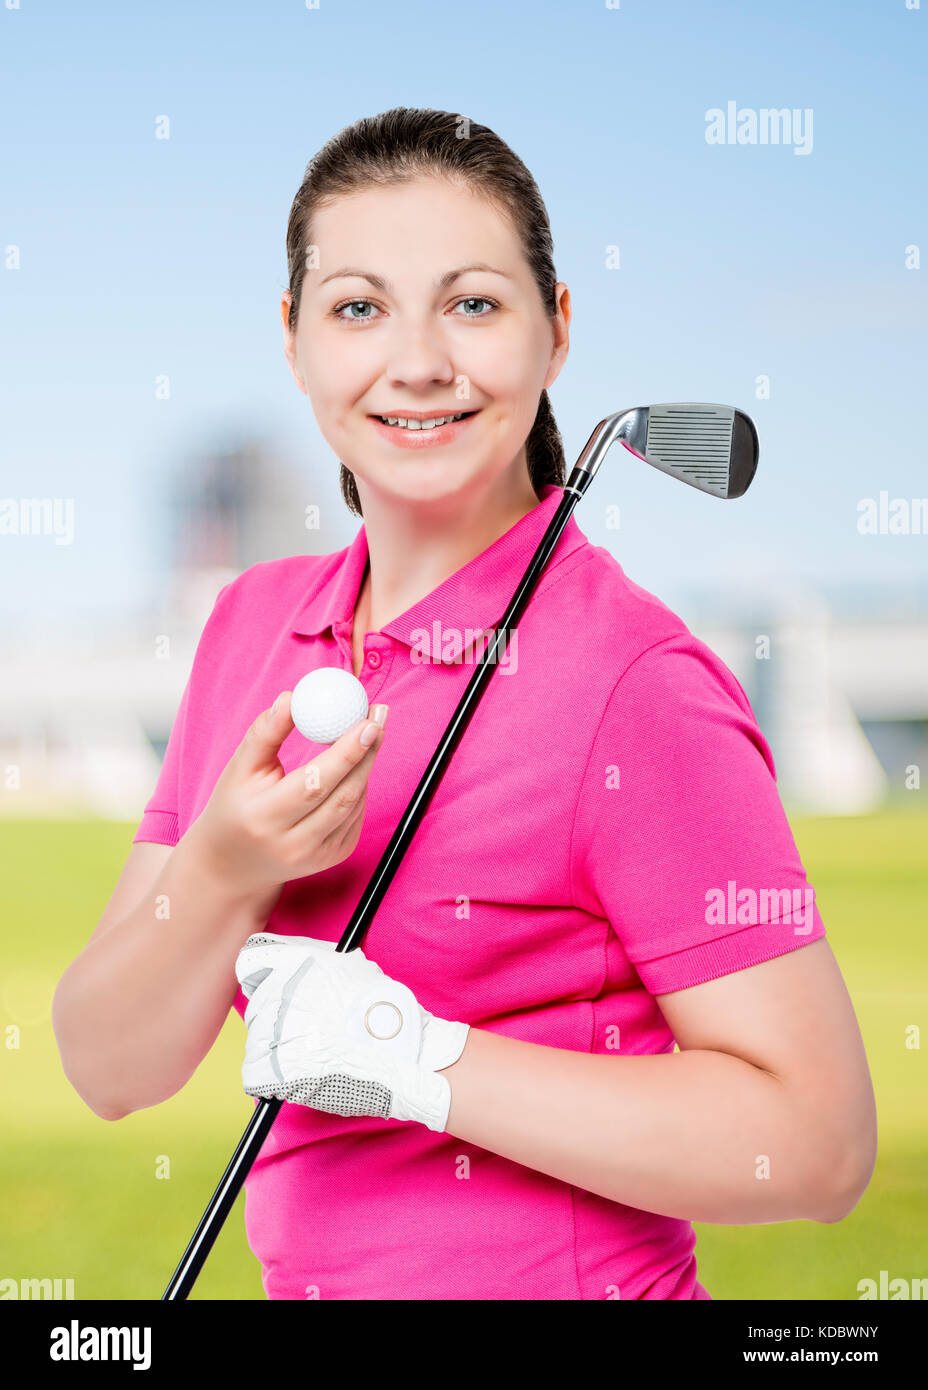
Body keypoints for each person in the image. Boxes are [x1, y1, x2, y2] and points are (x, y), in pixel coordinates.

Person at [52, 107, 877, 1301]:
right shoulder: (251, 628)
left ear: (557, 333)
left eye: (475, 303)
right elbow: (108, 1065)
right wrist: (224, 868)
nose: (419, 361)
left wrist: (420, 1060)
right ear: (294, 343)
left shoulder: (631, 681)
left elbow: (817, 1146)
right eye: (357, 307)